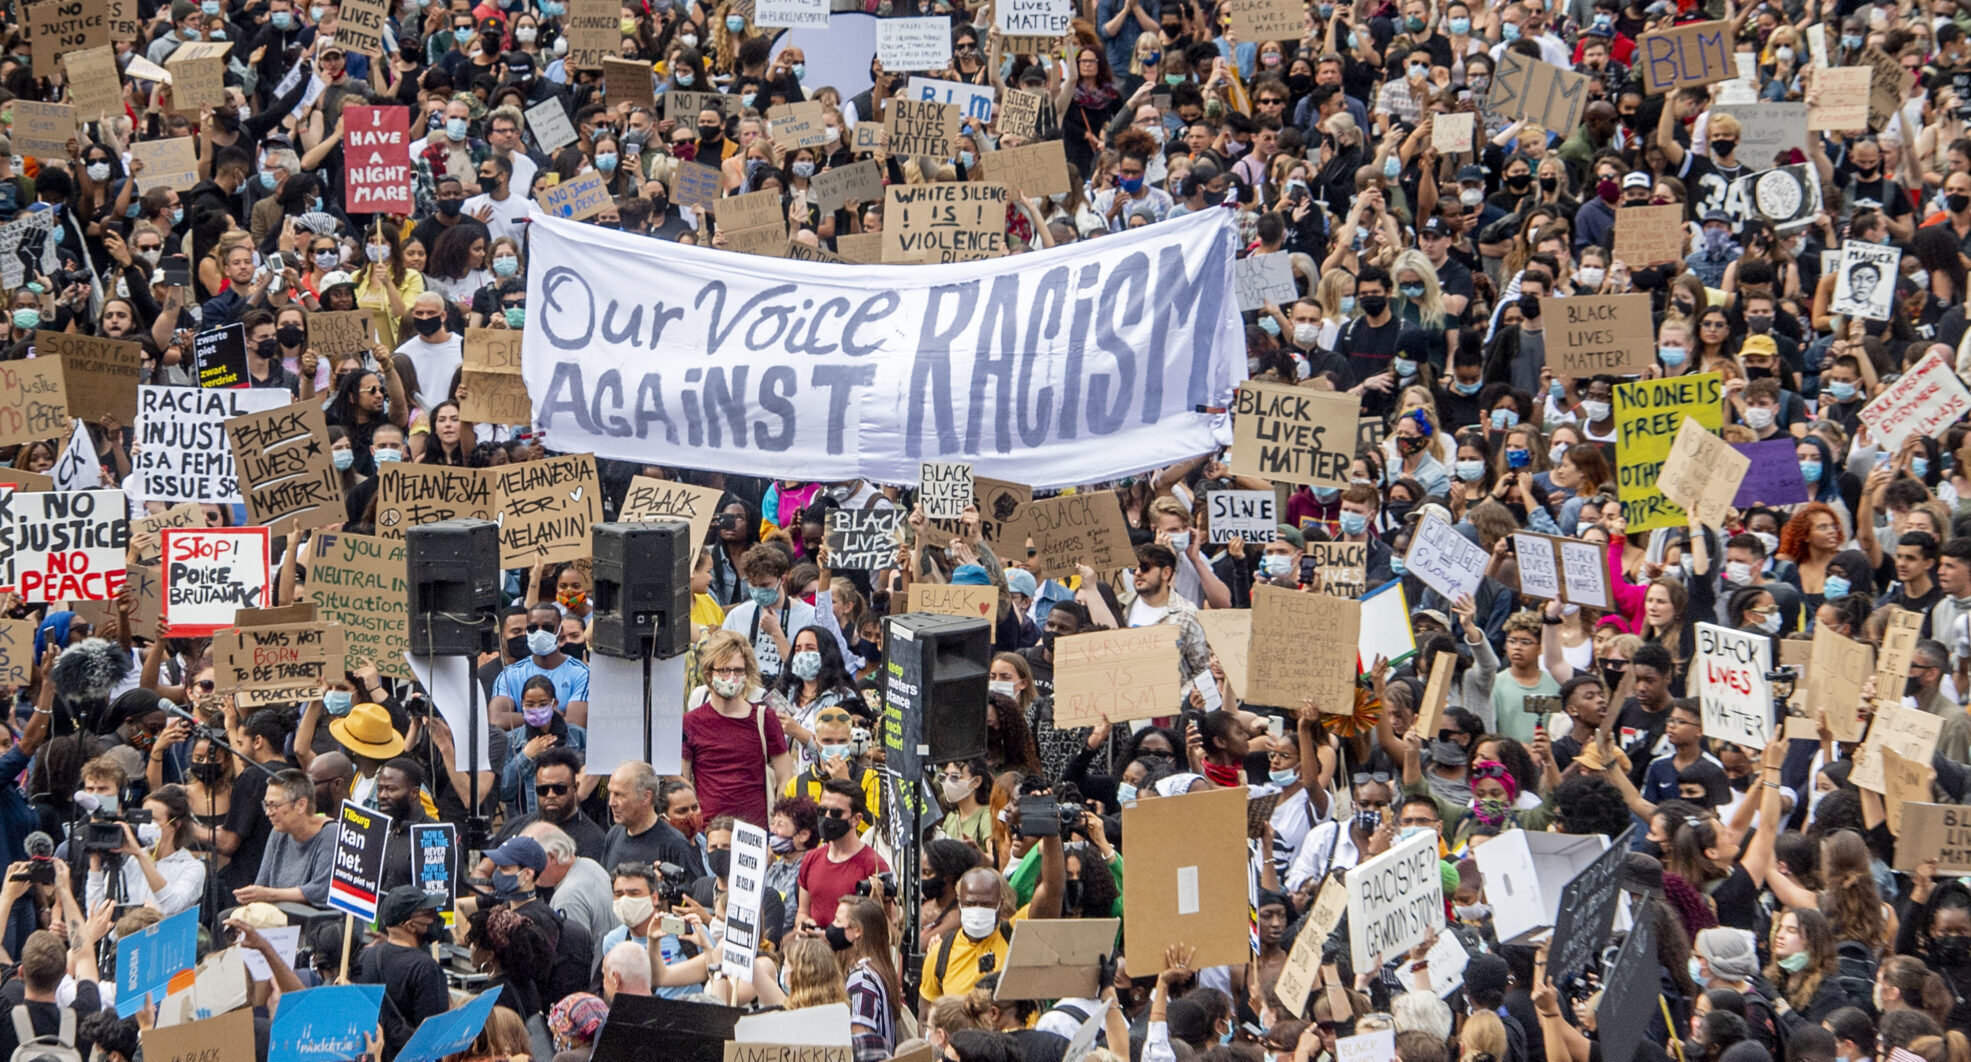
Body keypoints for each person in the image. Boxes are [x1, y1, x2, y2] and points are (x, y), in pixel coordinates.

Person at [354, 885, 453, 1060]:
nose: (436, 918)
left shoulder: (363, 958)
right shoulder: (426, 969)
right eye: (429, 913)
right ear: (410, 925)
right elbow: (433, 1041)